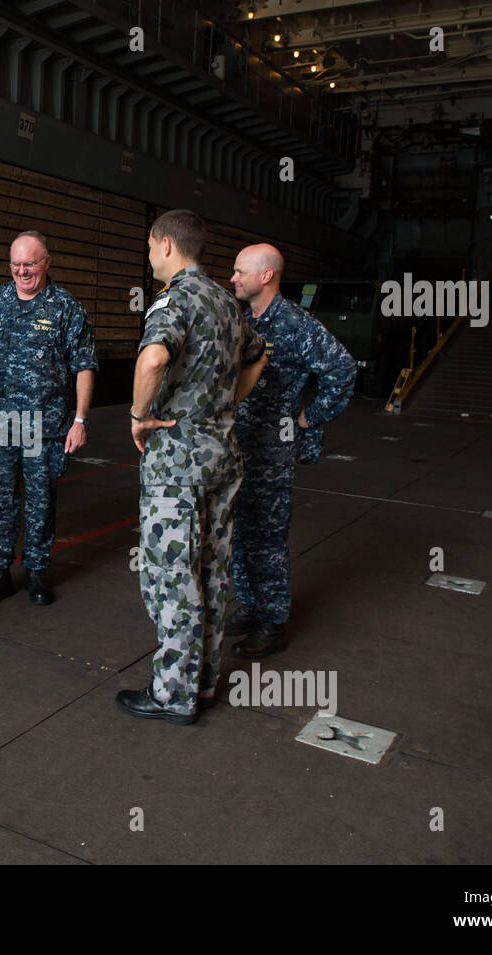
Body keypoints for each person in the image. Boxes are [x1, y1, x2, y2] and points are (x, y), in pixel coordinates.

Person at [115, 210, 267, 725]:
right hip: (222, 451)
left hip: (178, 458)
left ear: (163, 245)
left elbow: (153, 359)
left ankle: (172, 695)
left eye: (149, 245)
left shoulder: (175, 299)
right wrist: (224, 406)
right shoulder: (228, 301)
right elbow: (257, 356)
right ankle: (201, 684)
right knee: (211, 569)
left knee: (171, 574)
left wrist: (139, 416)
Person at [226, 243, 356, 657]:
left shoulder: (297, 324)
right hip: (239, 443)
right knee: (241, 531)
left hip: (272, 452)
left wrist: (310, 417)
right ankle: (250, 604)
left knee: (267, 536)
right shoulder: (244, 320)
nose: (233, 278)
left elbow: (342, 369)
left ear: (266, 276)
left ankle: (273, 622)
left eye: (240, 271)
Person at [0, 231, 97, 606]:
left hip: (45, 425)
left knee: (41, 500)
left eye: (29, 264)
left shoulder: (65, 307)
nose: (21, 271)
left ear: (46, 262)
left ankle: (38, 573)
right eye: (15, 264)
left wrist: (80, 420)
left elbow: (85, 366)